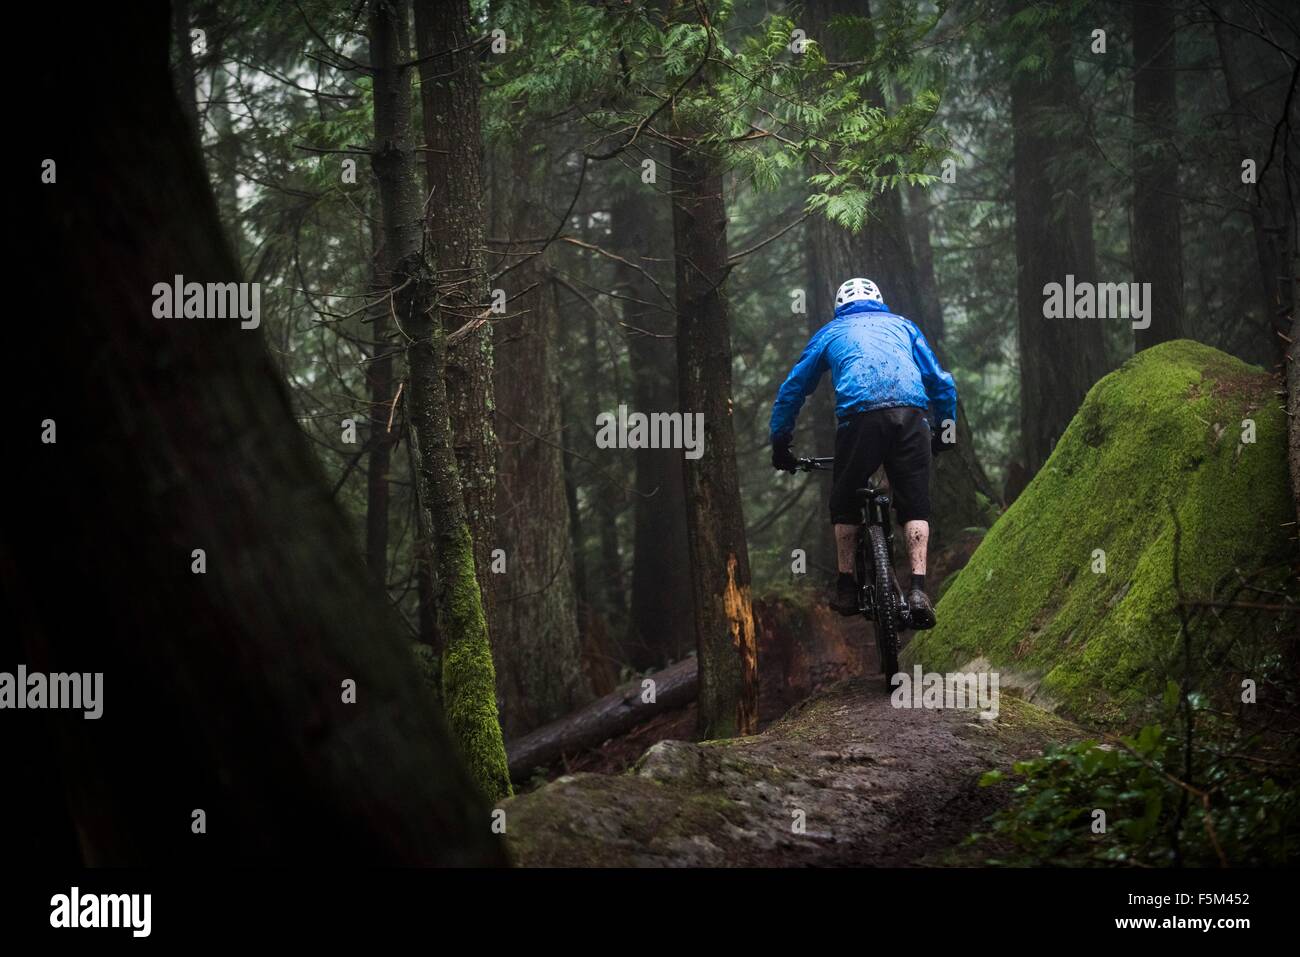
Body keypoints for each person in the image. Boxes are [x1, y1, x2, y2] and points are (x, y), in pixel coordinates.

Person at [769, 277, 957, 628]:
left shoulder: (831, 332)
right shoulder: (904, 326)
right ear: (879, 300)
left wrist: (781, 442)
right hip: (911, 415)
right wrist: (946, 429)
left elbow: (793, 388)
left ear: (840, 307)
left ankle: (846, 586)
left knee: (844, 502)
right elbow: (940, 381)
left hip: (861, 418)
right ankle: (918, 590)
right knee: (915, 504)